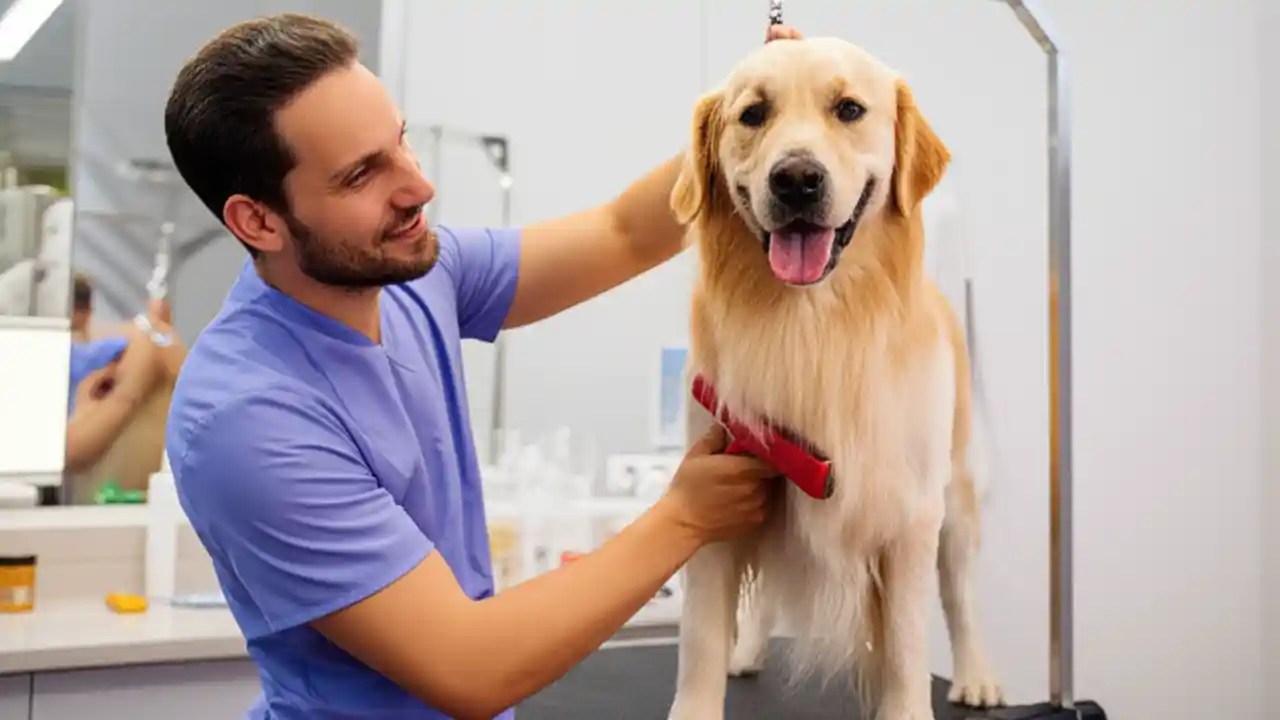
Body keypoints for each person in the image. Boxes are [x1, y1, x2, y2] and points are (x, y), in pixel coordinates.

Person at [162, 13, 803, 720]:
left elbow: (624, 232)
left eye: (398, 141)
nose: (418, 187)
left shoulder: (411, 276)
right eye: (362, 174)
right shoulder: (246, 418)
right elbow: (471, 668)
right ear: (258, 222)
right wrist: (685, 517)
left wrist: (754, 117)